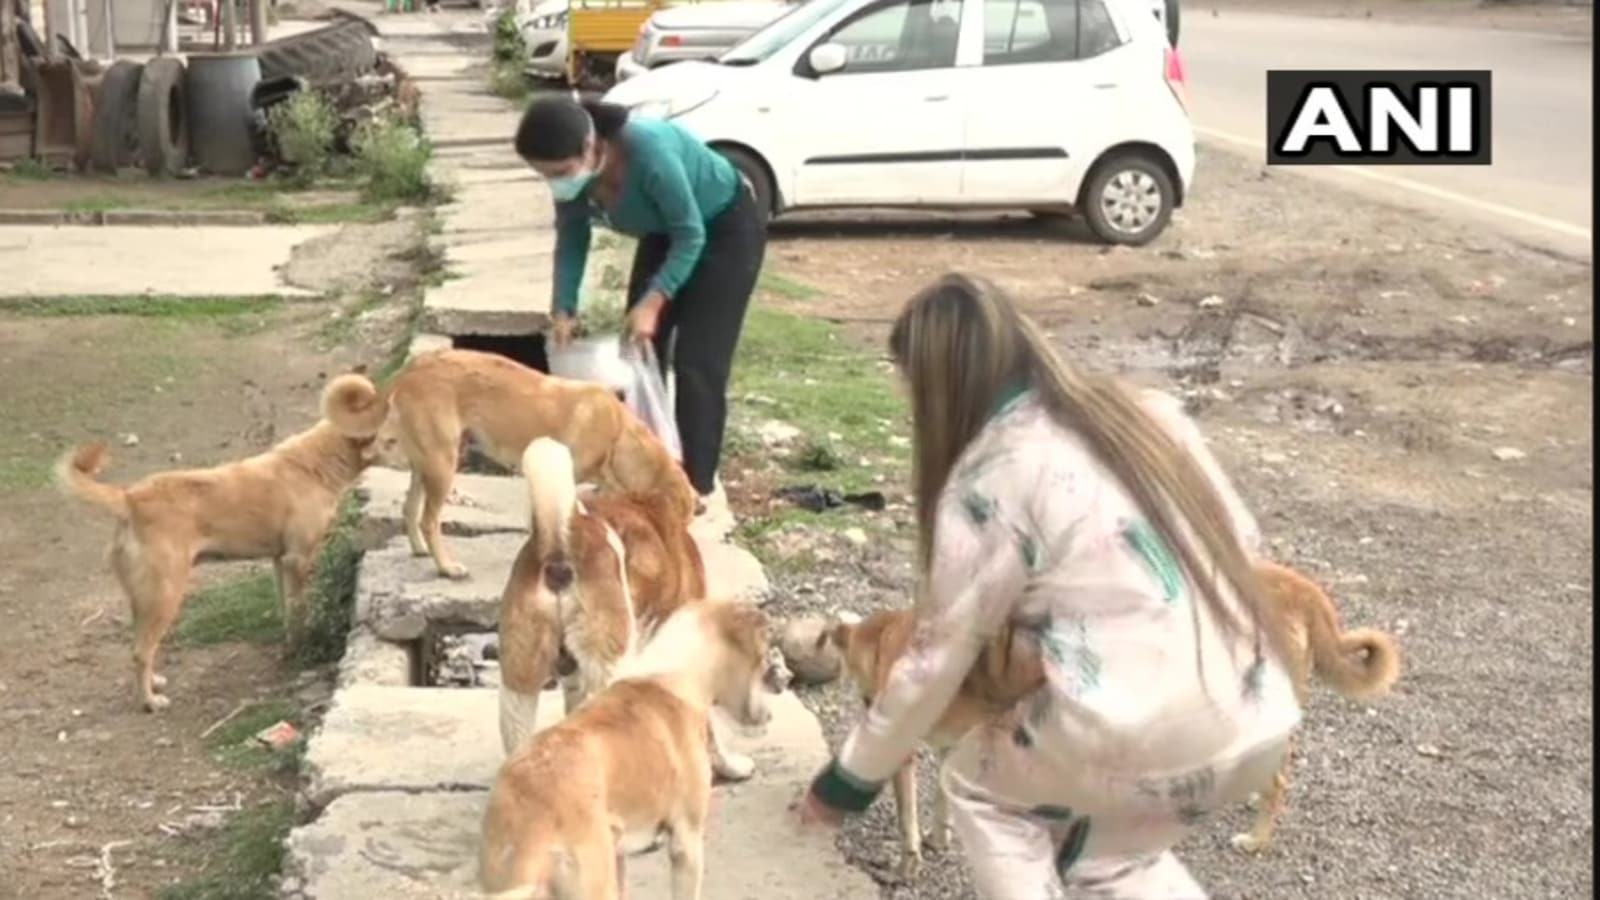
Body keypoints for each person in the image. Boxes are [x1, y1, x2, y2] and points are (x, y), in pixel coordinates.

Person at [793, 274, 1303, 898]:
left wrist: (847, 781)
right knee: (1109, 858)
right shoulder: (1146, 415)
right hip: (1257, 709)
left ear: (936, 385)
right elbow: (1243, 546)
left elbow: (934, 661)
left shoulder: (989, 477)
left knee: (981, 789)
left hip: (1146, 727)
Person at [514, 94, 766, 511]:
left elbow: (691, 235)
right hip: (664, 233)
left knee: (698, 361)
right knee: (636, 351)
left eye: (559, 172)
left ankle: (692, 489)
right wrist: (563, 308)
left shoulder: (649, 153)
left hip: (724, 229)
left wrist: (654, 300)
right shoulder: (576, 179)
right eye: (545, 176)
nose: (556, 183)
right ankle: (640, 469)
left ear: (592, 147)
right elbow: (572, 239)